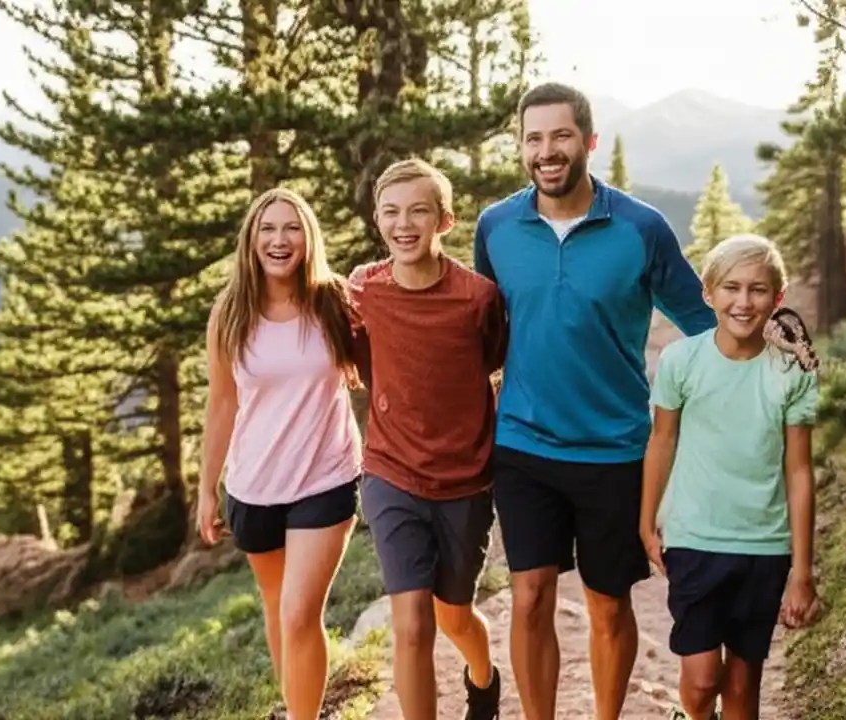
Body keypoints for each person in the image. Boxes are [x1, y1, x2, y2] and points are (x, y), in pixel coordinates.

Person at [473, 81, 718, 720]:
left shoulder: (641, 228)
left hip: (615, 449)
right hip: (523, 445)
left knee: (608, 604)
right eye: (534, 138)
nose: (546, 151)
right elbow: (475, 325)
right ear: (521, 146)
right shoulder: (496, 227)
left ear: (588, 141)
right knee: (528, 596)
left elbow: (704, 322)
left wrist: (772, 342)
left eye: (560, 136)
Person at [349, 158, 507, 720]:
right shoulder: (365, 289)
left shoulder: (477, 297)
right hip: (391, 474)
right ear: (377, 220)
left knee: (454, 614)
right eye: (391, 212)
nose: (404, 223)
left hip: (465, 481)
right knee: (411, 622)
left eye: (419, 211)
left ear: (445, 220)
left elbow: (493, 361)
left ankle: (483, 680)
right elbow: (362, 360)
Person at [197, 187, 364, 720]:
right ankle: (298, 704)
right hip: (253, 485)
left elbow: (389, 366)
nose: (279, 239)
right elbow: (222, 404)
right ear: (251, 241)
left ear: (307, 237)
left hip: (326, 478)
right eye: (267, 229)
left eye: (291, 227)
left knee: (298, 614)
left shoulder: (335, 300)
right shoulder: (230, 313)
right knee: (276, 609)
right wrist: (206, 487)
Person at [639, 234, 821, 720]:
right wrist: (647, 521)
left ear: (778, 298)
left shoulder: (792, 372)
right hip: (694, 537)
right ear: (708, 293)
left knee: (743, 685)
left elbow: (799, 470)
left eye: (758, 290)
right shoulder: (681, 361)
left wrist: (802, 572)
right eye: (732, 288)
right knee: (701, 682)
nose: (744, 302)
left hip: (764, 545)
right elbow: (661, 442)